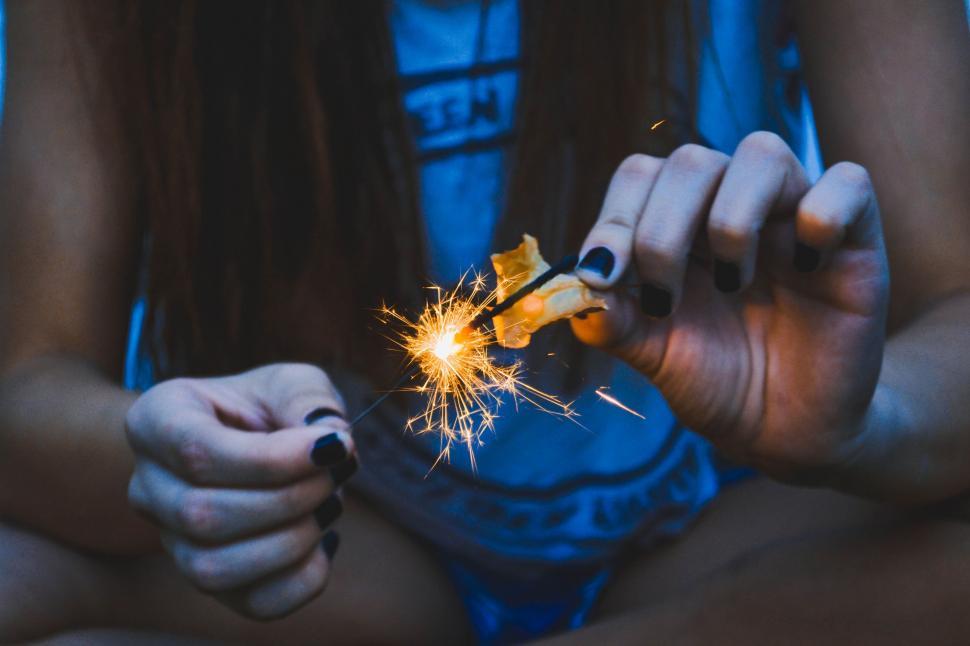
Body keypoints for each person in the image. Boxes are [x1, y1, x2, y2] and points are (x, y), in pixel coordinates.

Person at [1, 0, 969, 643]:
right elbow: (24, 391)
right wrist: (182, 463)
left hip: (719, 537)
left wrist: (858, 417)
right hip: (355, 571)